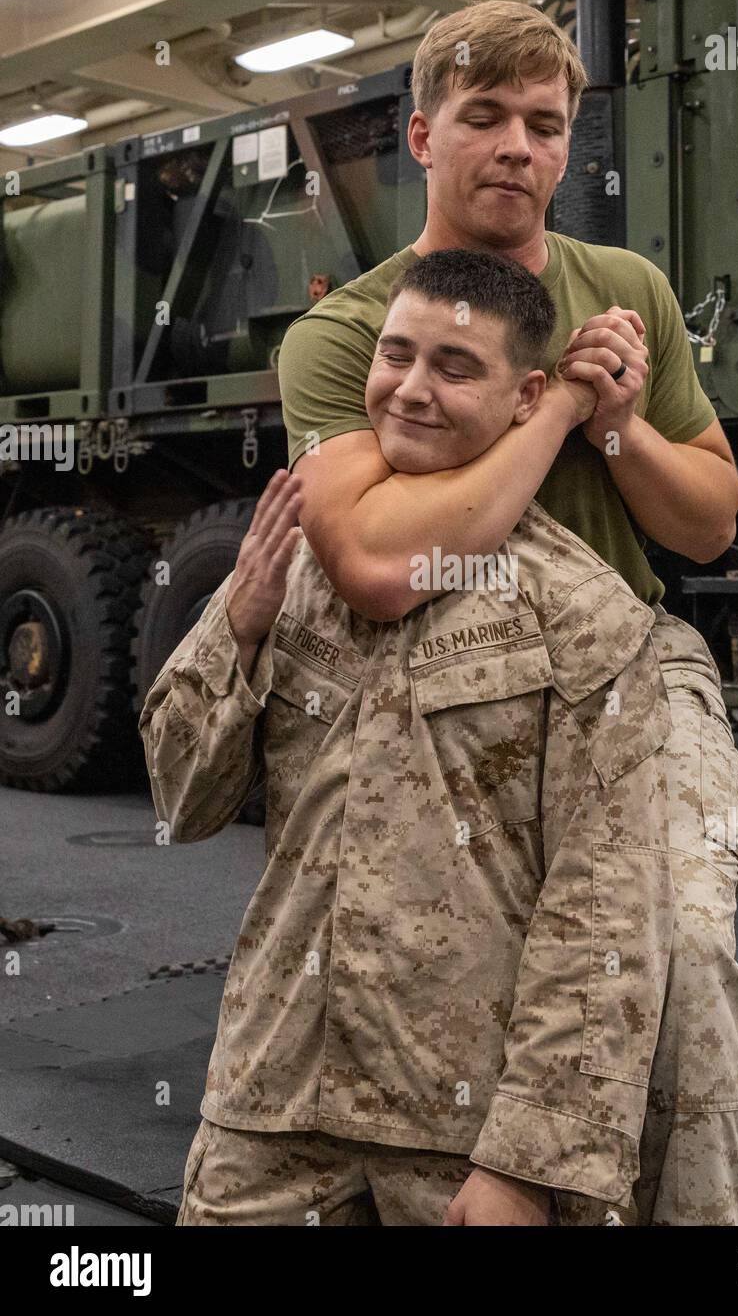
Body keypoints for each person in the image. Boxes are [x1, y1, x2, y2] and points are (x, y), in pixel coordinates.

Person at [277, 0, 738, 1225]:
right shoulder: (351, 332)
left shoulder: (628, 291)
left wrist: (617, 422)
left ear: (566, 150)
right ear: (421, 135)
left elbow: (707, 523)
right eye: (482, 117)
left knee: (687, 954)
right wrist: (551, 415)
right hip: (431, 691)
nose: (515, 147)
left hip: (634, 669)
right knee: (432, 982)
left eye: (543, 125)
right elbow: (376, 564)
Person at [141, 250, 678, 1227]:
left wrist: (527, 1158)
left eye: (453, 367)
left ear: (525, 397)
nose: (412, 390)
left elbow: (607, 910)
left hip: (457, 1138)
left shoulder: (584, 614)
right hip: (270, 1111)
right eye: (396, 355)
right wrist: (239, 629)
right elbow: (181, 798)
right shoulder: (298, 559)